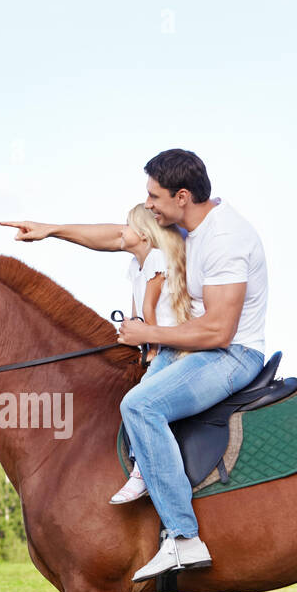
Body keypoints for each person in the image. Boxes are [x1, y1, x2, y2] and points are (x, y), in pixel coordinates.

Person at [0, 148, 269, 582]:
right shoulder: (185, 225)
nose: (147, 205)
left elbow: (219, 331)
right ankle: (150, 465)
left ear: (182, 196)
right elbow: (116, 236)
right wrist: (53, 230)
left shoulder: (225, 240)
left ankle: (184, 537)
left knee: (140, 406)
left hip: (231, 355)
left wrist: (148, 334)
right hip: (193, 349)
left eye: (154, 197)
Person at [112, 203, 194, 504]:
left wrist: (152, 348)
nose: (122, 231)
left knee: (140, 402)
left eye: (128, 226)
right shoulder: (135, 265)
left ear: (145, 234)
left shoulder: (158, 258)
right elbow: (135, 311)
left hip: (170, 345)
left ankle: (143, 471)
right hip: (150, 337)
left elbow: (149, 310)